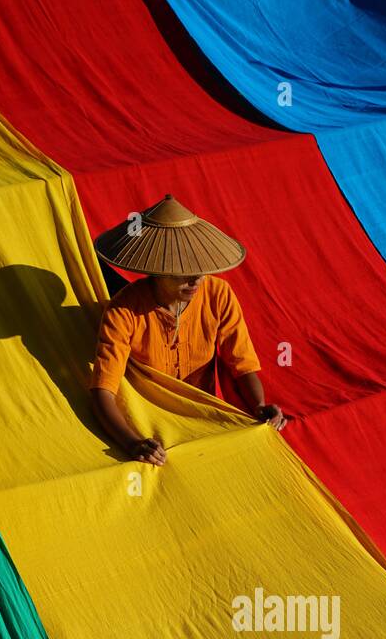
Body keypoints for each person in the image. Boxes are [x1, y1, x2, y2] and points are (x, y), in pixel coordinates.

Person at [90, 194, 286, 466]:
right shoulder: (123, 311)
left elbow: (241, 365)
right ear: (157, 271)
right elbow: (102, 391)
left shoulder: (219, 294)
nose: (196, 280)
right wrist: (132, 442)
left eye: (200, 270)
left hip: (202, 420)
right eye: (183, 273)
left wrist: (259, 405)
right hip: (147, 424)